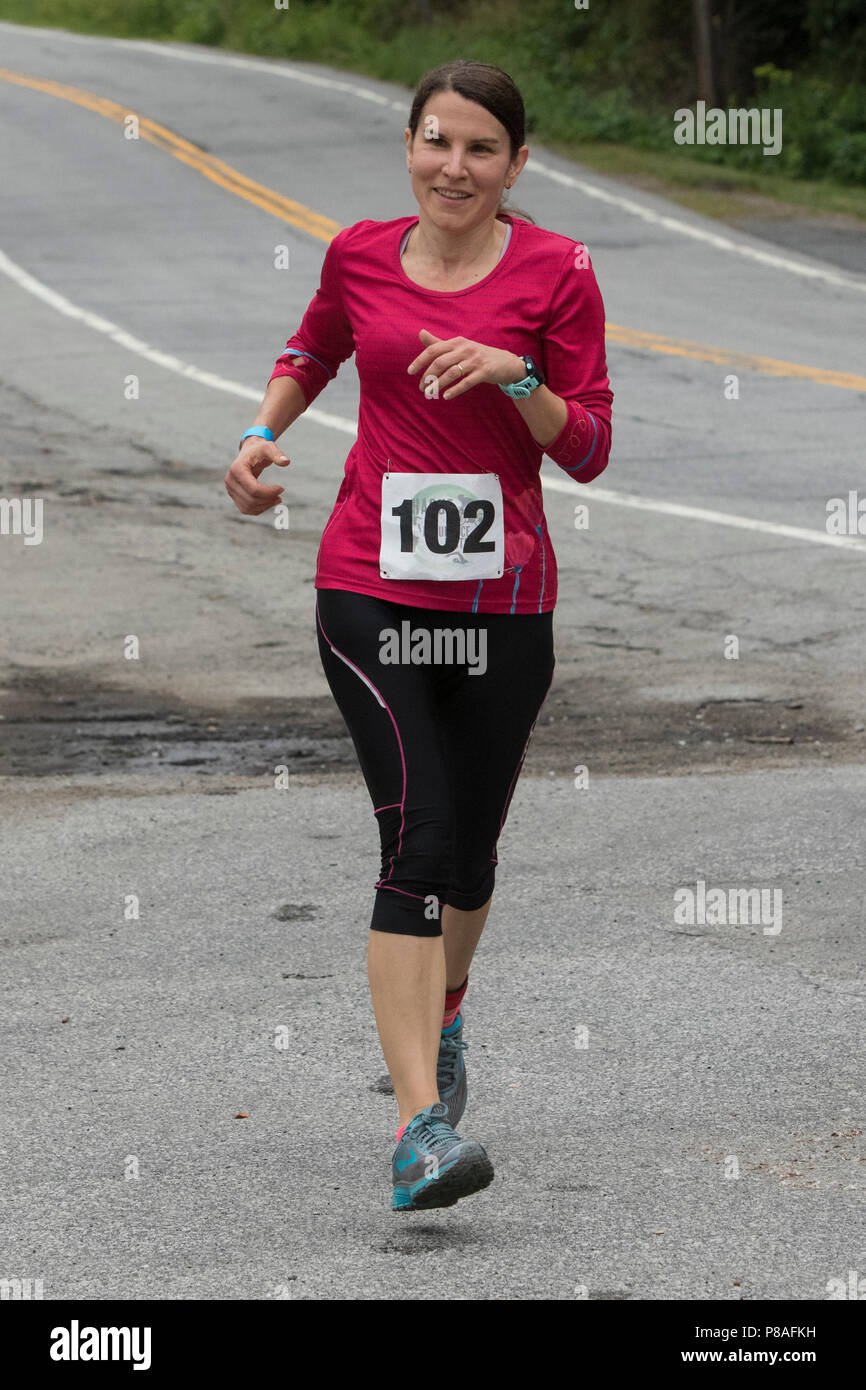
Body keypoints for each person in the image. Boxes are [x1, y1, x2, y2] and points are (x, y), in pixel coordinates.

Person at [225, 59, 613, 1213]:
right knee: (418, 836)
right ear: (407, 147)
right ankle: (417, 1131)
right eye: (436, 141)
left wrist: (516, 374)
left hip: (502, 607)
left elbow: (585, 443)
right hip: (370, 588)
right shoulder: (355, 253)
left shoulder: (559, 273)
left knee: (473, 854)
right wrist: (257, 435)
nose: (455, 166)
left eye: (480, 149)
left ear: (515, 166)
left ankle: (442, 1015)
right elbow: (312, 350)